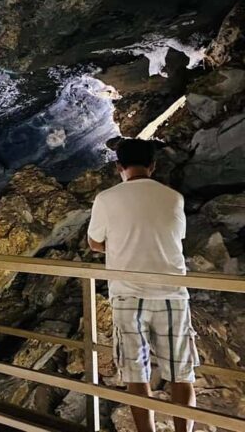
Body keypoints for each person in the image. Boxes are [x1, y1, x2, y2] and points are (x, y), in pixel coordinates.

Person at [88, 139, 198, 432]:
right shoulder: (174, 198)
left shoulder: (106, 198)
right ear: (153, 165)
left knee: (136, 375)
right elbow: (175, 236)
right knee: (181, 374)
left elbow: (94, 243)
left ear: (118, 167)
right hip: (172, 294)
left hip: (128, 294)